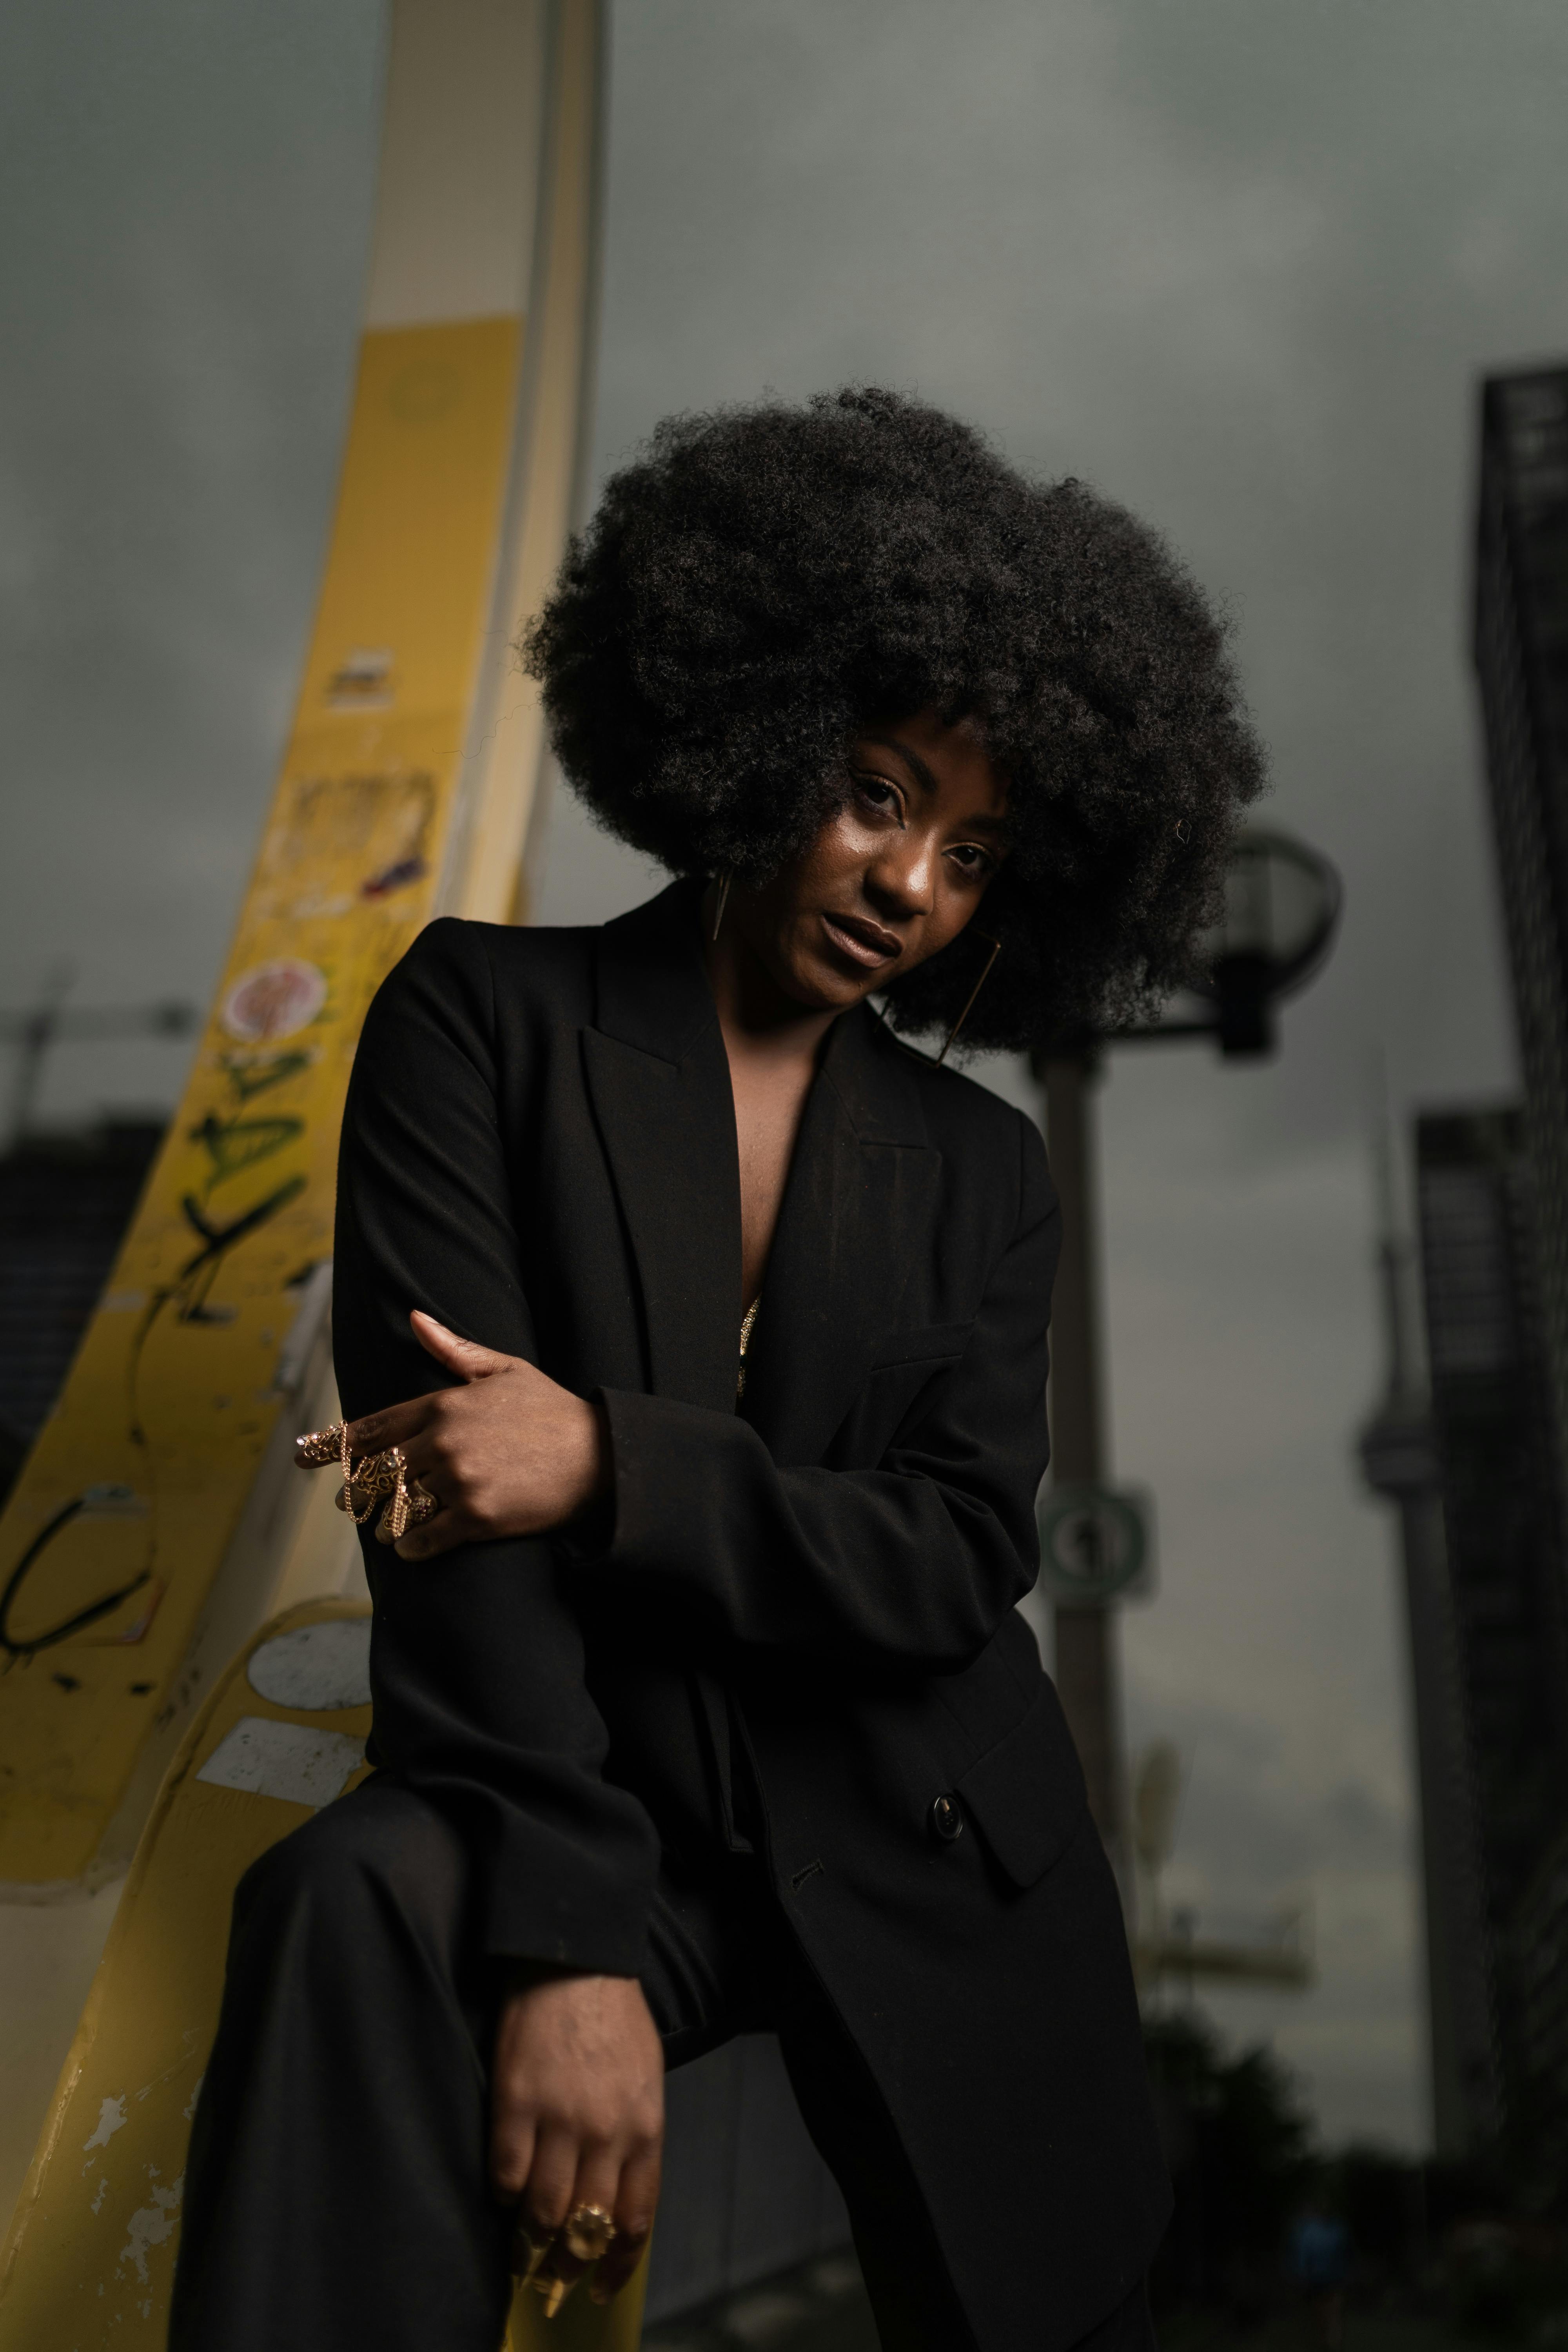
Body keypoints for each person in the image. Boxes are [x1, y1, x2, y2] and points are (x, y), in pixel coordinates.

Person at [170, 388, 1264, 2352]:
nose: (914, 882)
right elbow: (440, 1511)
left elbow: (945, 1558)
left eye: (975, 851)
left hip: (924, 1828)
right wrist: (569, 1946)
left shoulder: (979, 1170)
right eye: (874, 791)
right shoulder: (484, 1022)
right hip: (605, 1799)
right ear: (753, 738)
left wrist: (605, 1459)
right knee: (344, 1907)